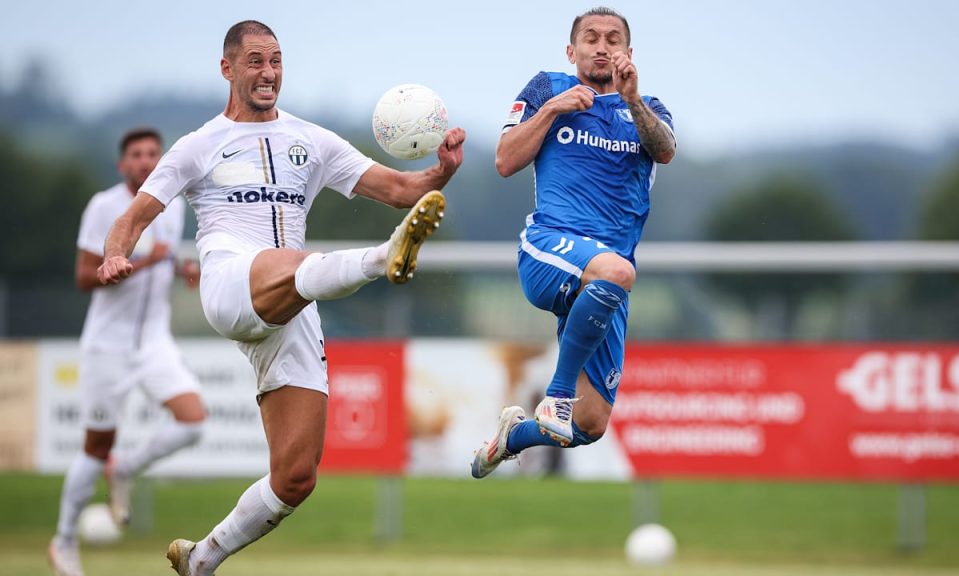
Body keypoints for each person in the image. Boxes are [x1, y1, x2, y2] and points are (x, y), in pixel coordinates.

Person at [96, 20, 464, 575]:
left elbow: (398, 189)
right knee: (292, 263)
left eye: (276, 61)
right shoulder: (198, 146)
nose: (268, 73)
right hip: (231, 282)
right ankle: (381, 258)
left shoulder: (311, 140)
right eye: (255, 61)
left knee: (296, 476)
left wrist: (441, 171)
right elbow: (133, 217)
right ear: (228, 68)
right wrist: (114, 254)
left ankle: (203, 557)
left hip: (293, 304)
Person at [472, 7, 675, 478]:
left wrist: (633, 98)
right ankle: (556, 396)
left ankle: (512, 437)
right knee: (619, 272)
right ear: (572, 50)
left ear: (628, 53)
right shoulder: (548, 88)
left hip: (606, 276)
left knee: (590, 424)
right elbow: (504, 160)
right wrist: (551, 111)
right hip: (550, 247)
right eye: (590, 38)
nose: (601, 47)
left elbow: (664, 149)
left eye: (612, 39)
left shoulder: (648, 108)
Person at [49, 128, 207, 576]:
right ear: (123, 165)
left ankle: (126, 469)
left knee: (194, 422)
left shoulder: (171, 207)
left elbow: (166, 255)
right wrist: (146, 262)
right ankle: (62, 542)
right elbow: (83, 277)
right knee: (96, 446)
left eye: (152, 154)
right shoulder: (104, 206)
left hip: (154, 342)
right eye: (136, 155)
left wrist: (182, 267)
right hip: (108, 345)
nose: (145, 161)